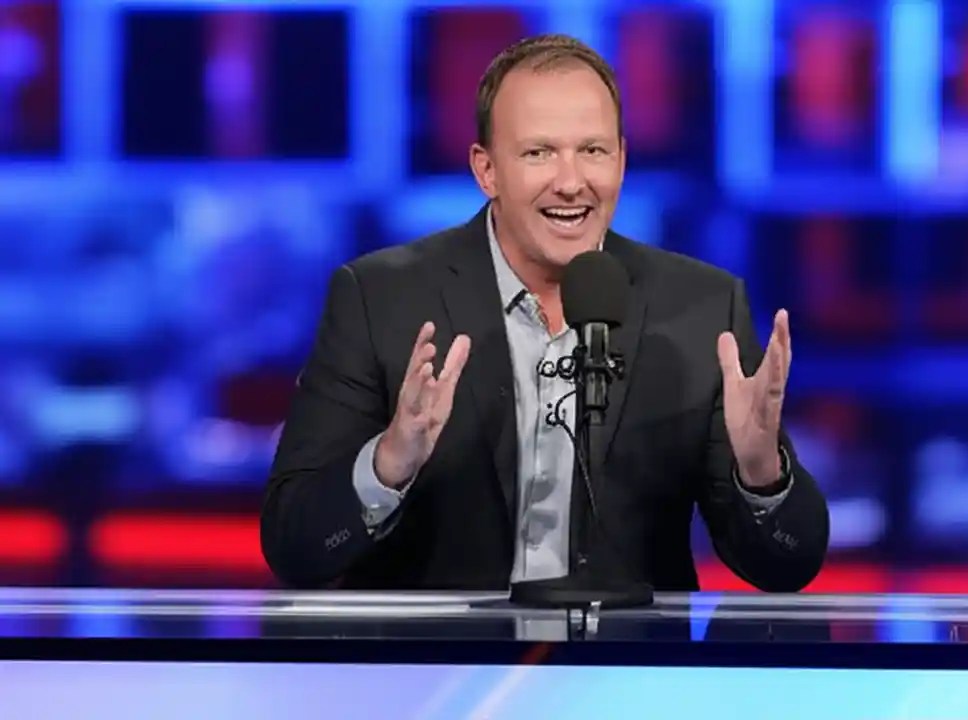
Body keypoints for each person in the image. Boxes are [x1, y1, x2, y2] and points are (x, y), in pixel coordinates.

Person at [260, 34, 829, 592]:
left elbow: (787, 568)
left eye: (593, 150)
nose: (571, 182)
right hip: (435, 674)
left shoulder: (701, 309)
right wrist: (388, 465)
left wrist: (761, 475)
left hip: (626, 678)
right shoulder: (380, 298)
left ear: (622, 161)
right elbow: (294, 545)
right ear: (487, 171)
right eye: (539, 152)